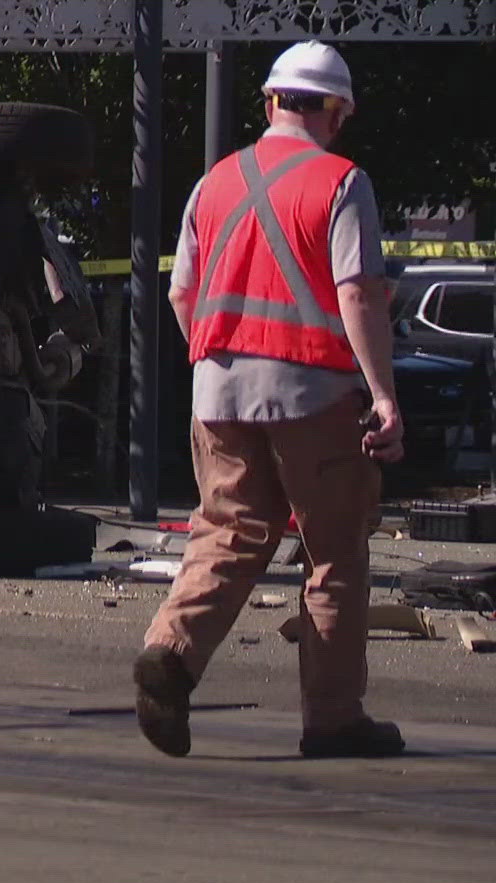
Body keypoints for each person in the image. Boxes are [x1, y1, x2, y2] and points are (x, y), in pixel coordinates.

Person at [135, 40, 406, 759]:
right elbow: (357, 294)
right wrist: (383, 397)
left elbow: (182, 294)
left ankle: (170, 654)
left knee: (228, 532)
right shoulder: (342, 182)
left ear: (269, 103)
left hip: (217, 390)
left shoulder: (215, 182)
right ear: (338, 113)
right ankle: (334, 719)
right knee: (335, 553)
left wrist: (219, 363)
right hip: (313, 393)